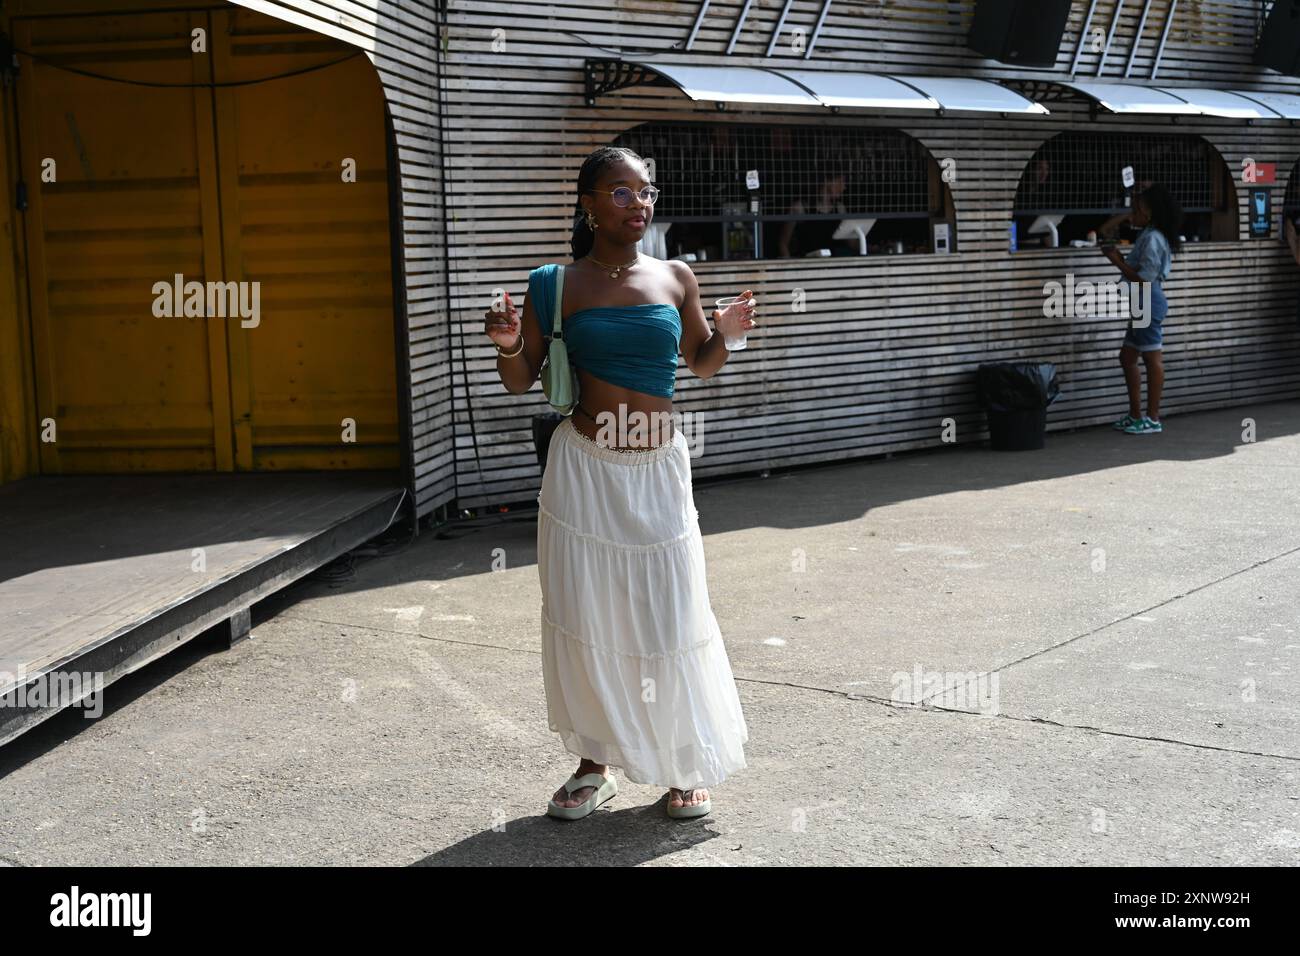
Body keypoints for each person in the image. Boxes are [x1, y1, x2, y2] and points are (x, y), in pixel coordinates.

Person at [482, 146, 755, 821]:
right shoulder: (554, 284)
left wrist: (727, 334)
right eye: (621, 192)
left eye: (645, 191)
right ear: (588, 204)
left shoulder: (676, 276)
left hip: (658, 470)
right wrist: (510, 343)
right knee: (587, 613)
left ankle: (682, 764)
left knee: (671, 611)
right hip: (584, 470)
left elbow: (700, 364)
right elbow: (523, 382)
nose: (639, 204)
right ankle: (593, 764)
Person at [1099, 183, 1181, 435]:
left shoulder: (1153, 238)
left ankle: (1152, 418)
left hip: (1148, 299)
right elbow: (1104, 231)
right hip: (1141, 301)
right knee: (1127, 357)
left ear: (1151, 212)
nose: (1134, 211)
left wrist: (1115, 261)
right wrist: (1130, 212)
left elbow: (1144, 278)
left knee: (1151, 358)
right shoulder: (1148, 233)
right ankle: (1135, 415)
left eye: (1139, 208)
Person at [778, 170, 848, 258]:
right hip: (806, 263)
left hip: (832, 264)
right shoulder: (800, 208)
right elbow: (783, 243)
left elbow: (851, 241)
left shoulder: (840, 208)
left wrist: (869, 248)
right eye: (841, 181)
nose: (844, 187)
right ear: (827, 181)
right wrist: (789, 267)